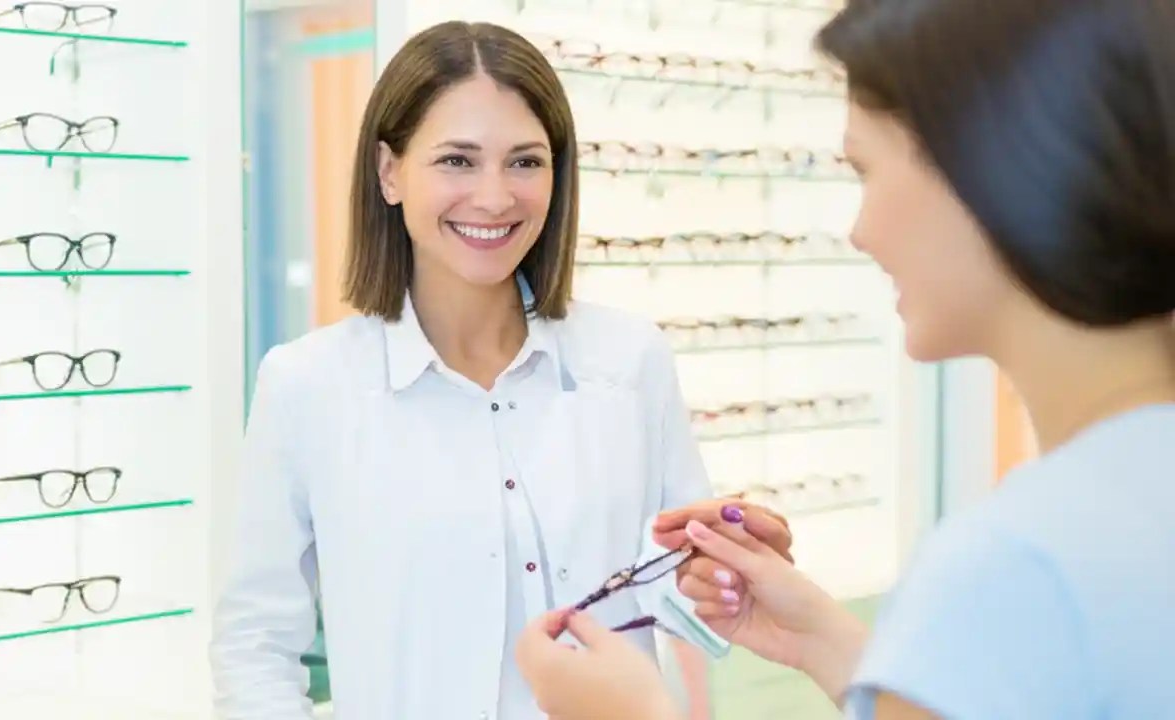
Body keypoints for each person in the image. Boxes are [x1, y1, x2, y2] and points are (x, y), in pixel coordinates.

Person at [514, 0, 1175, 717]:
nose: (860, 232)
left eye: (865, 169)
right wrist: (829, 643)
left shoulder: (1017, 566)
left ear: (988, 169)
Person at [208, 20, 793, 720]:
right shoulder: (307, 385)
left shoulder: (630, 360)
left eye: (525, 161)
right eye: (457, 160)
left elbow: (677, 602)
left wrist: (723, 578)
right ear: (389, 171)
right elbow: (255, 645)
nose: (494, 196)